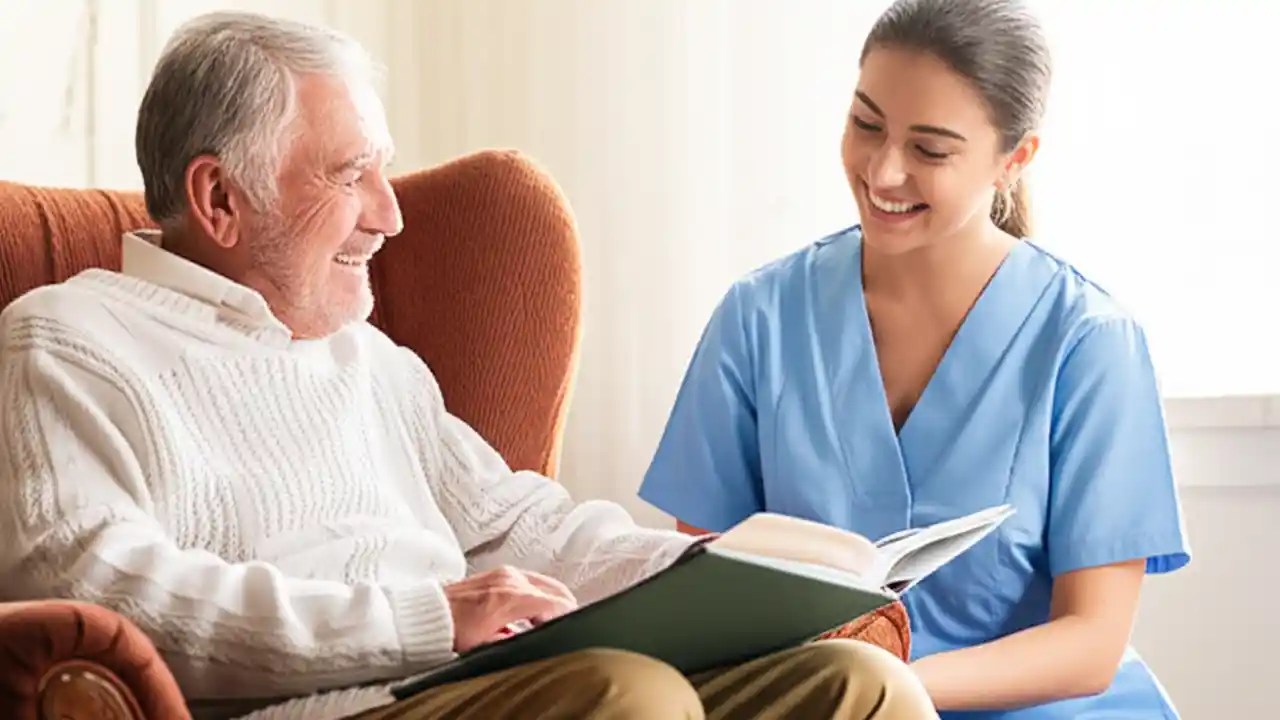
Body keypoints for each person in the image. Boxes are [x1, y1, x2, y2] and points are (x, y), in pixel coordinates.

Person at [0, 11, 938, 720]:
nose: (389, 215)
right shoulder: (70, 343)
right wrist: (422, 619)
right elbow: (105, 592)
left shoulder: (368, 360)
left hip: (471, 683)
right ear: (218, 198)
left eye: (385, 171)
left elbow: (517, 527)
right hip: (330, 706)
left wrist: (725, 573)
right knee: (629, 697)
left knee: (857, 683)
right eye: (348, 175)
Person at [639, 0, 1191, 718]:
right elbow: (705, 589)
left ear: (1013, 160)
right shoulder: (759, 319)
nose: (883, 170)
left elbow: (1091, 642)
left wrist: (878, 691)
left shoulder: (1089, 342)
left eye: (930, 150)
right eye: (867, 124)